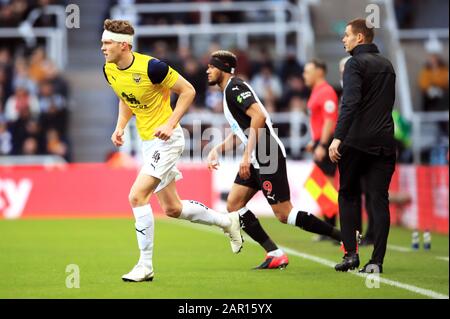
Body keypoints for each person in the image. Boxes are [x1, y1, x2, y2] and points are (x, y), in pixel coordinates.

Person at [101, 19, 242, 283]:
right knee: (172, 208)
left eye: (107, 42)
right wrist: (120, 125)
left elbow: (187, 90)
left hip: (168, 139)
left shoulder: (152, 67)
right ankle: (227, 222)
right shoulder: (109, 69)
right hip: (148, 142)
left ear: (123, 45)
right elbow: (125, 97)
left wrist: (170, 122)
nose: (102, 47)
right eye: (102, 42)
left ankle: (145, 266)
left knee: (136, 196)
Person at [206, 50, 342, 269]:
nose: (207, 70)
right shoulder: (229, 92)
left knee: (284, 213)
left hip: (267, 153)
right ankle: (274, 253)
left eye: (211, 67)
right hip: (258, 154)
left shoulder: (234, 88)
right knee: (234, 204)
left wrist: (246, 155)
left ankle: (342, 236)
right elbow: (243, 128)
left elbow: (259, 116)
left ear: (222, 68)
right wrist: (219, 148)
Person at [329, 18, 397, 273]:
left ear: (359, 38)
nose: (343, 39)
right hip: (384, 142)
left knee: (348, 195)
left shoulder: (354, 63)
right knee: (379, 200)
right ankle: (377, 261)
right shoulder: (388, 65)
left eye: (346, 35)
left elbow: (351, 103)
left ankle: (350, 255)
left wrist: (338, 136)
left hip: (356, 141)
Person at [303, 59, 339, 240]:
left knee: (327, 185)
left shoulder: (326, 92)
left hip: (327, 142)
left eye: (308, 71)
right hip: (320, 141)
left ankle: (332, 229)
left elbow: (329, 120)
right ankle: (329, 228)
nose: (305, 75)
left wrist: (323, 145)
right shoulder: (317, 92)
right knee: (319, 184)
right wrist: (314, 140)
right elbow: (318, 121)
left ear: (320, 72)